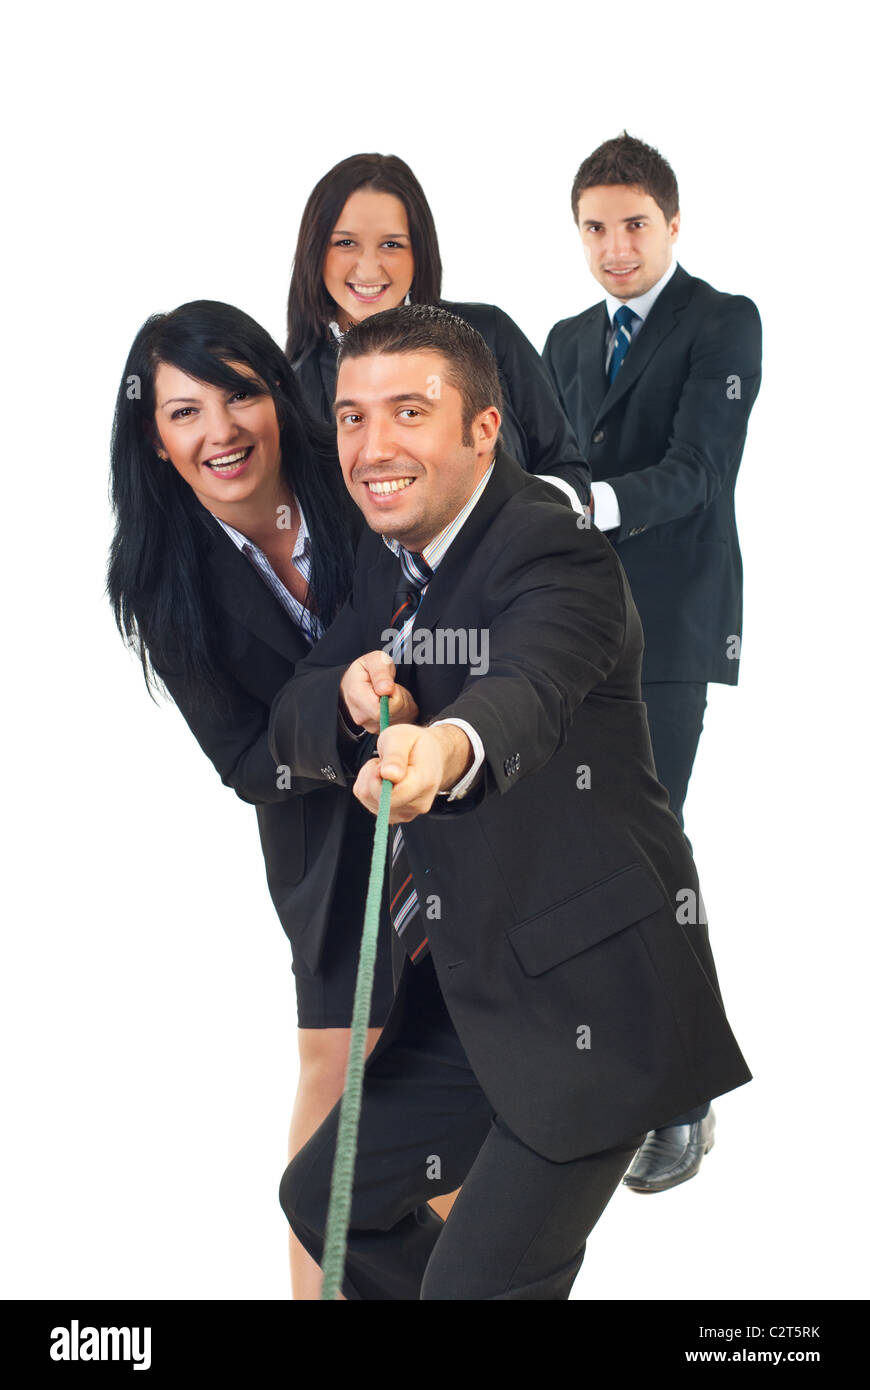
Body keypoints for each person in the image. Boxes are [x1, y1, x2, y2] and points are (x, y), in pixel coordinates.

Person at [269, 304, 752, 1300]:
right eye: (353, 418)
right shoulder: (389, 552)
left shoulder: (554, 547)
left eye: (409, 411)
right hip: (472, 990)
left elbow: (524, 688)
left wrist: (445, 747)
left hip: (598, 1003)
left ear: (484, 429)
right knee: (327, 1201)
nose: (372, 446)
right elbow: (297, 703)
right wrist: (349, 696)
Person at [107, 299, 399, 1299]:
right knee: (336, 1065)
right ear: (154, 440)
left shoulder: (354, 476)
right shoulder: (159, 575)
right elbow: (242, 761)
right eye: (185, 412)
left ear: (279, 393)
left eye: (240, 394)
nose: (221, 430)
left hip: (447, 784)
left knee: (458, 1060)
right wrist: (341, 727)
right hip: (319, 832)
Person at [543, 133, 762, 1193]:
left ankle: (682, 1093)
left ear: (672, 224)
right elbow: (539, 464)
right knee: (588, 849)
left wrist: (595, 502)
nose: (615, 247)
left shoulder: (722, 323)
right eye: (595, 228)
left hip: (670, 629)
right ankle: (614, 1066)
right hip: (572, 629)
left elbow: (699, 472)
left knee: (644, 850)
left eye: (634, 225)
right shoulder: (566, 337)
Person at [286, 151, 591, 511]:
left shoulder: (490, 333)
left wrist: (517, 525)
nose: (368, 269)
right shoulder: (293, 388)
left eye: (391, 244)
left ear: (420, 252)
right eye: (345, 243)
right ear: (316, 251)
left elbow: (567, 469)